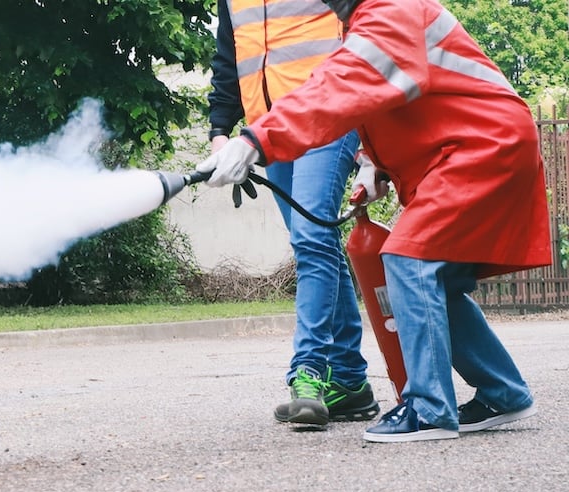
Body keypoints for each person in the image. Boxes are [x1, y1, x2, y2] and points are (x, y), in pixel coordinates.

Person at [198, 0, 550, 442]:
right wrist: (373, 164)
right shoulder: (367, 21)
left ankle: (428, 410)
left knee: (406, 258)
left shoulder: (392, 10)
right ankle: (503, 393)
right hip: (474, 145)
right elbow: (388, 99)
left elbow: (338, 88)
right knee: (436, 280)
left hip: (479, 147)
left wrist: (256, 139)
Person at [206, 0, 378, 427]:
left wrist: (374, 144)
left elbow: (366, 37)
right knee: (316, 241)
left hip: (329, 117)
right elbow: (230, 58)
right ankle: (353, 383)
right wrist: (220, 134)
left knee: (310, 238)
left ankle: (309, 373)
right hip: (271, 131)